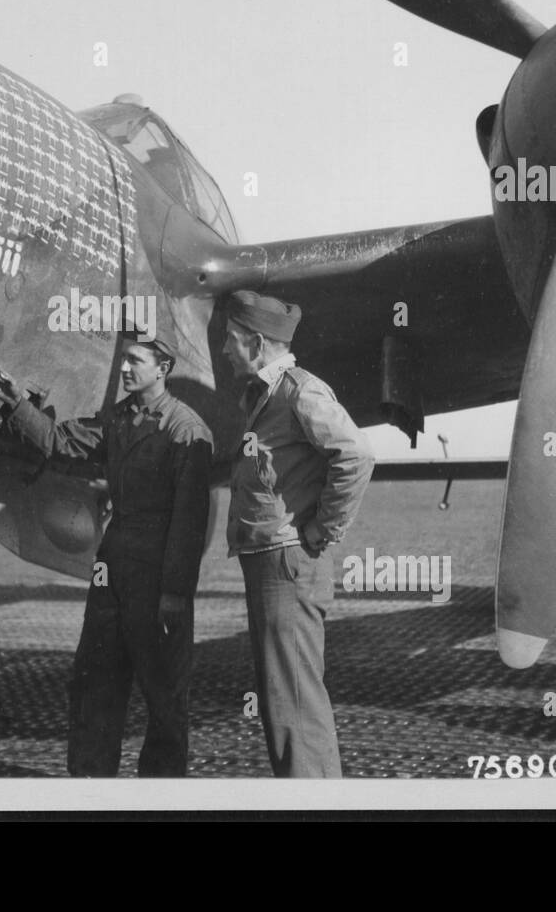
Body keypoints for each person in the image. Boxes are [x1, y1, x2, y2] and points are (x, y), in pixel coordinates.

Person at [0, 336, 213, 776]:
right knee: (95, 680)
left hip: (156, 570)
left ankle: (160, 800)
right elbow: (60, 442)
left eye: (135, 360)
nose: (125, 368)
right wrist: (18, 403)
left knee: (164, 693)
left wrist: (175, 594)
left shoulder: (185, 431)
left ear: (162, 367)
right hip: (113, 569)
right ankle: (91, 789)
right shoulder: (118, 419)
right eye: (124, 358)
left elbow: (188, 524)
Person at [220, 290, 374, 778]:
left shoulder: (300, 391)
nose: (224, 350)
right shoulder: (267, 393)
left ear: (256, 343)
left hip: (287, 561)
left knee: (293, 708)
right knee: (286, 703)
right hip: (272, 560)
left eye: (231, 340)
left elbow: (356, 455)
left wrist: (322, 529)